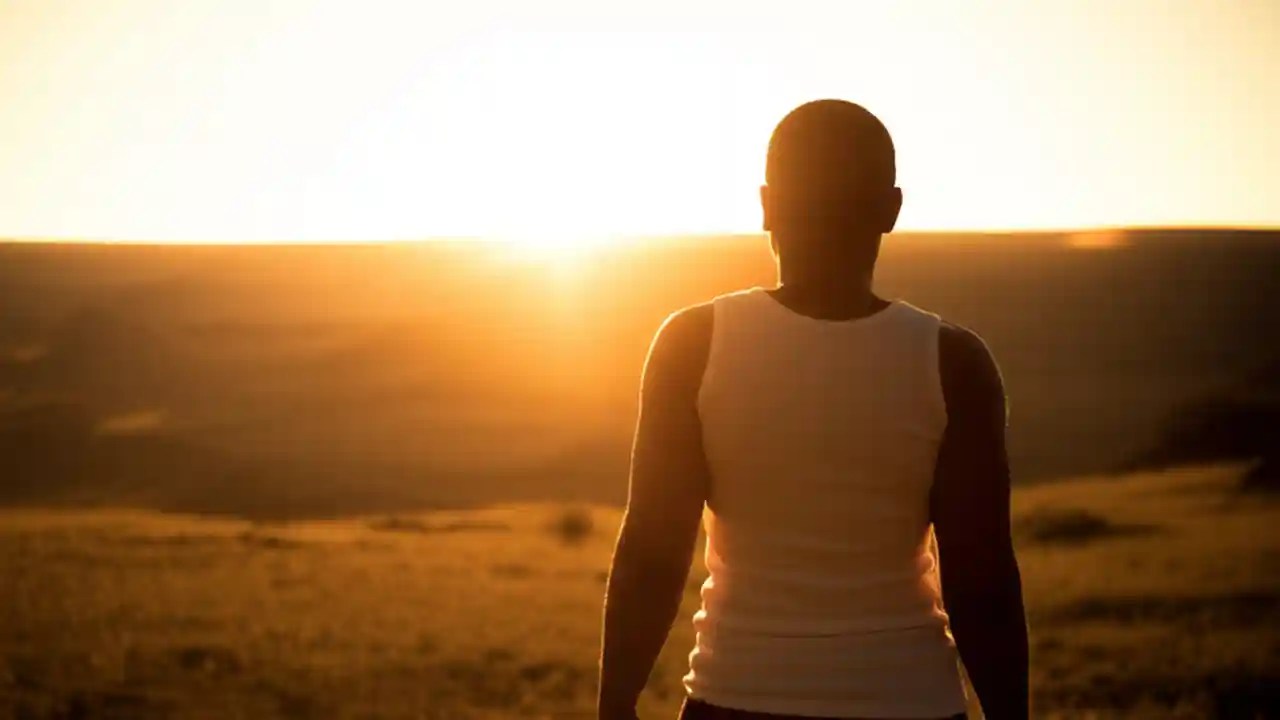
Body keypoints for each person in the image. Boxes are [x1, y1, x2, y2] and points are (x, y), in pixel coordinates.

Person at [598, 99, 1029, 720]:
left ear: (767, 204)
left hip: (735, 699)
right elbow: (981, 576)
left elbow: (652, 552)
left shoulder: (693, 345)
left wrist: (614, 707)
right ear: (891, 211)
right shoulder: (953, 362)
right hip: (910, 703)